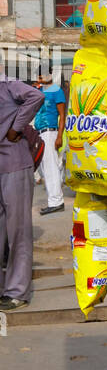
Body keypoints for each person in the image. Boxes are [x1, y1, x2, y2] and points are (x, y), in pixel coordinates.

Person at [0, 72, 44, 310]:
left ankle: (17, 292)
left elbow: (36, 96)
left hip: (15, 165)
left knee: (18, 231)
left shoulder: (8, 85)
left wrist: (16, 128)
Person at [33, 73, 66, 215]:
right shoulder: (38, 91)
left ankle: (56, 202)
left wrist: (59, 136)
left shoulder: (56, 91)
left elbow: (62, 115)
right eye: (39, 77)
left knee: (51, 167)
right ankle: (54, 199)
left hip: (50, 132)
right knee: (43, 168)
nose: (40, 79)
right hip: (39, 132)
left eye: (42, 76)